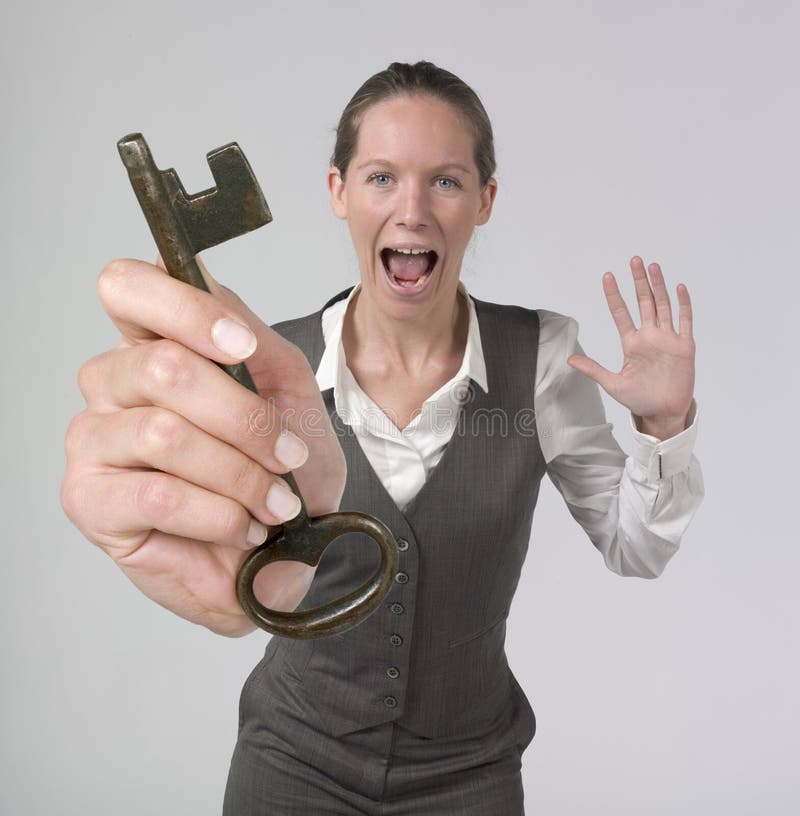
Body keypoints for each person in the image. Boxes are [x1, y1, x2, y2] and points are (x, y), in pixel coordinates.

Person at [61, 61, 703, 814]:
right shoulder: (267, 375)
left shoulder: (544, 361)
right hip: (291, 765)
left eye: (446, 181)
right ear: (338, 192)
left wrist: (663, 428)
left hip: (470, 776)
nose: (412, 212)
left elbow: (638, 547)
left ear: (484, 201)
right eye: (380, 178)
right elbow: (227, 570)